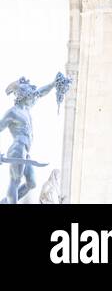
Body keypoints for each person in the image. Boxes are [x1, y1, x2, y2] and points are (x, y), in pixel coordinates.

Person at [0, 73, 71, 205]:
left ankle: (7, 201)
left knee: (31, 183)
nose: (33, 97)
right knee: (15, 181)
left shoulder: (26, 108)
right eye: (30, 95)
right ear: (22, 96)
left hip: (26, 151)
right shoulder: (12, 112)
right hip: (17, 149)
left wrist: (53, 84)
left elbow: (39, 93)